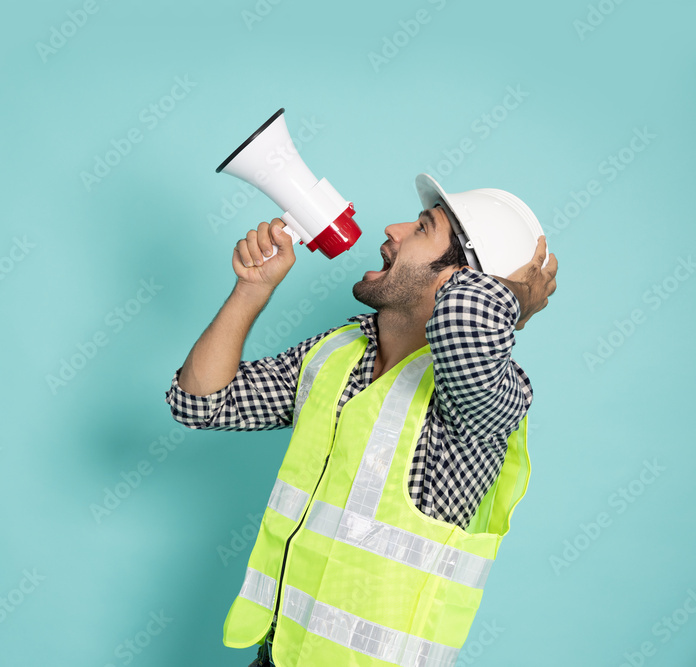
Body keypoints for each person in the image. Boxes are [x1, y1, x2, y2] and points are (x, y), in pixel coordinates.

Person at [164, 176, 558, 667]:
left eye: (421, 228)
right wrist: (251, 291)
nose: (391, 229)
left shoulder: (484, 398)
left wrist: (514, 295)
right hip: (280, 653)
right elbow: (202, 402)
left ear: (459, 279)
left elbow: (463, 323)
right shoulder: (340, 352)